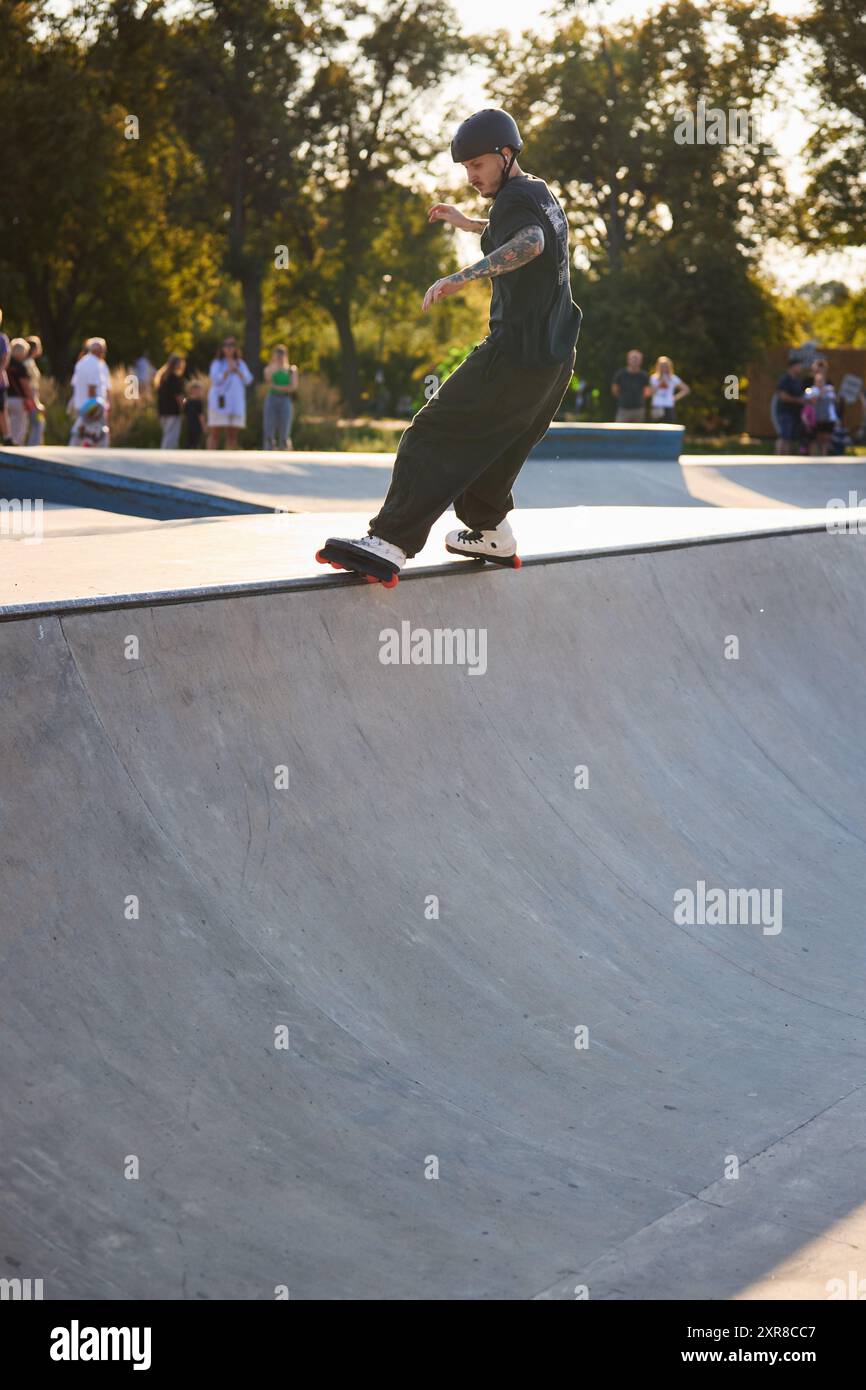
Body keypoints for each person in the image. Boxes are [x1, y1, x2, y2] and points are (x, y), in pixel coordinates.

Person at [319, 108, 582, 576]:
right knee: (495, 449)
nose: (471, 176)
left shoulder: (518, 205)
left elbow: (532, 243)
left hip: (515, 356)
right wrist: (469, 224)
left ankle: (389, 541)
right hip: (555, 360)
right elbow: (517, 227)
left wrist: (465, 276)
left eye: (477, 166)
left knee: (431, 433)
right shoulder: (536, 191)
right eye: (465, 169)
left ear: (505, 155)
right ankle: (492, 534)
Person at [206, 336, 253, 449]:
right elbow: (215, 379)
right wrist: (227, 371)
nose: (229, 348)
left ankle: (229, 460)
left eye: (232, 346)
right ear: (222, 348)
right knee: (215, 432)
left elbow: (248, 380)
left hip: (235, 403)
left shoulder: (240, 364)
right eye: (226, 346)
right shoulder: (217, 363)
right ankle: (209, 457)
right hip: (219, 402)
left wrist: (237, 370)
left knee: (232, 434)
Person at [262, 344, 298, 449]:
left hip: (285, 399)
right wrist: (276, 367)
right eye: (278, 355)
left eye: (282, 354)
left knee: (285, 429)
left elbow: (293, 386)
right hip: (272, 398)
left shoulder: (291, 369)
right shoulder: (271, 369)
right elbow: (267, 379)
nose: (280, 357)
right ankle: (269, 449)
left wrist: (276, 386)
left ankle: (285, 449)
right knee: (269, 427)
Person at [802, 363, 837, 457]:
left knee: (826, 438)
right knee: (814, 438)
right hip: (814, 417)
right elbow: (808, 400)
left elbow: (833, 401)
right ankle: (814, 457)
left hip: (827, 416)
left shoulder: (829, 388)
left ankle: (824, 456)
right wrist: (820, 394)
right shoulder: (811, 388)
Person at [774, 356, 806, 455]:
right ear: (793, 366)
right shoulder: (785, 379)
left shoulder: (797, 380)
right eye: (799, 366)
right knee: (784, 436)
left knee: (791, 437)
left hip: (795, 413)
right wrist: (798, 400)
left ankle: (787, 460)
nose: (801, 368)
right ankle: (779, 457)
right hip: (785, 412)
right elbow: (783, 396)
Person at [154, 353, 187, 448]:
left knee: (167, 434)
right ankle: (165, 455)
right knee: (171, 436)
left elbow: (159, 397)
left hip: (163, 410)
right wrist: (184, 405)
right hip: (173, 411)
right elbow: (178, 396)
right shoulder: (174, 378)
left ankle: (166, 453)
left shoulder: (162, 378)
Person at [6, 339, 35, 445]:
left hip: (5, 397)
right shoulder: (20, 366)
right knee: (20, 426)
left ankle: (7, 440)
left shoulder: (5, 364)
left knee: (8, 423)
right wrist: (31, 399)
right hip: (18, 399)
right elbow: (25, 385)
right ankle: (16, 446)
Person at [611, 349, 650, 423]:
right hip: (623, 409)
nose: (635, 361)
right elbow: (614, 390)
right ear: (628, 360)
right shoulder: (620, 374)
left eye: (637, 359)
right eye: (633, 358)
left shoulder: (644, 375)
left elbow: (647, 392)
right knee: (620, 432)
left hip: (639, 410)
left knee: (638, 432)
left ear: (641, 361)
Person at [649, 356, 689, 421]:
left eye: (665, 366)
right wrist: (660, 383)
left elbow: (686, 389)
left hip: (669, 406)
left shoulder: (673, 378)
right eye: (662, 366)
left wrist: (674, 398)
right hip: (657, 406)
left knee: (670, 426)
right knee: (656, 427)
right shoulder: (653, 378)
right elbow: (651, 392)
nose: (664, 368)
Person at [25, 336, 46, 445]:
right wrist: (36, 402)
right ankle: (33, 448)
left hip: (32, 397)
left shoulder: (30, 362)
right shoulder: (28, 363)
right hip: (31, 398)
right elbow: (29, 384)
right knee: (39, 423)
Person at [0, 308, 11, 444]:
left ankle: (7, 437)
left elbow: (4, 359)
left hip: (0, 382)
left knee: (2, 409)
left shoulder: (1, 339)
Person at [184, 380, 205, 448]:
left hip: (192, 425)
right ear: (193, 390)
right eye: (199, 390)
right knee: (192, 442)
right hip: (194, 425)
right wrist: (203, 426)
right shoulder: (196, 402)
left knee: (192, 442)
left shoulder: (189, 401)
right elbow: (200, 415)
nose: (200, 392)